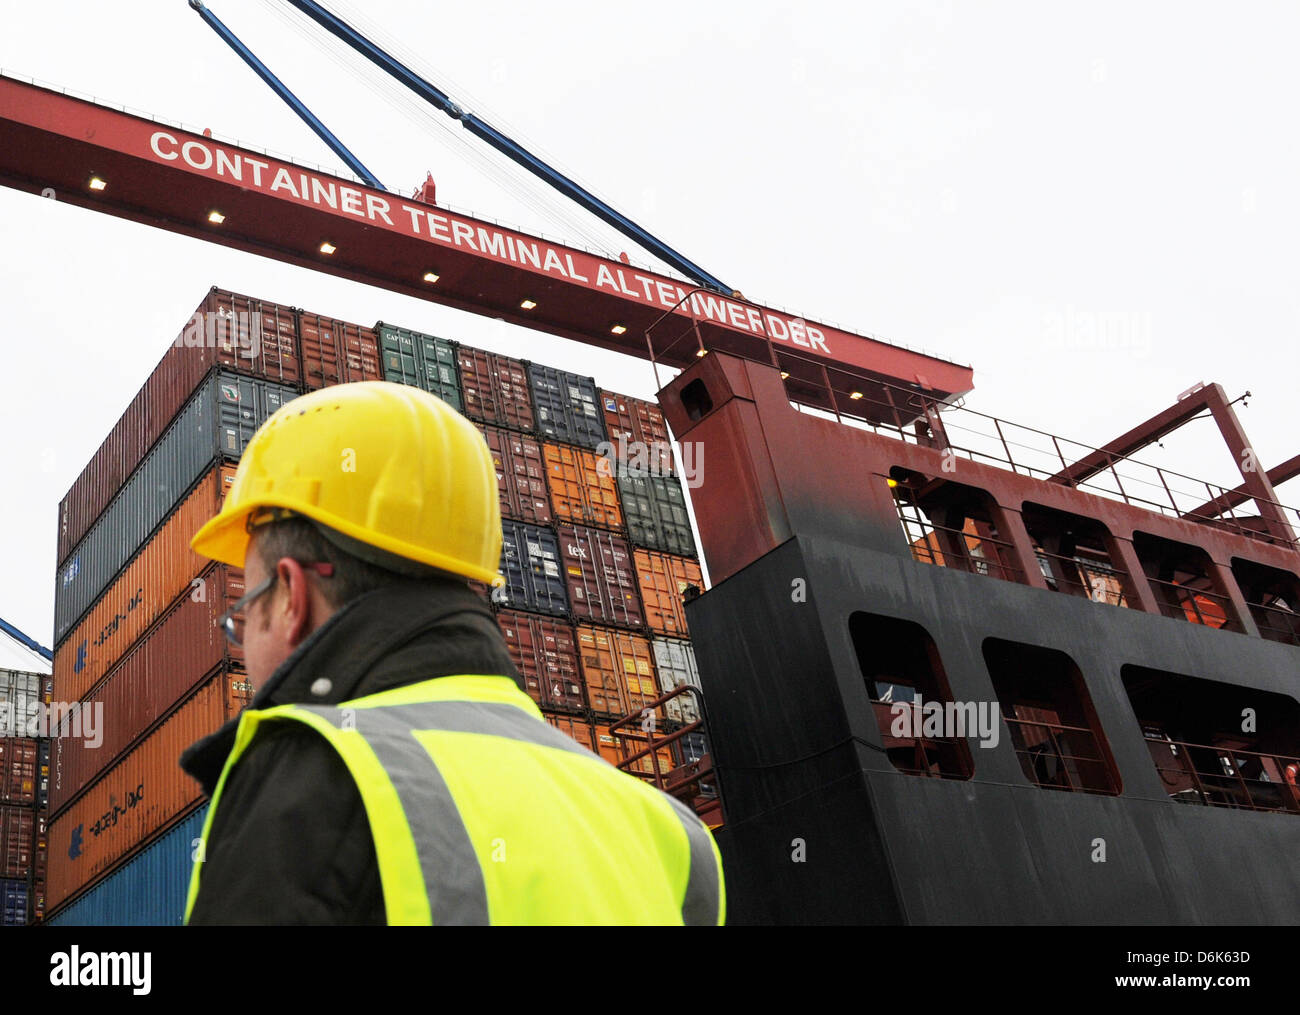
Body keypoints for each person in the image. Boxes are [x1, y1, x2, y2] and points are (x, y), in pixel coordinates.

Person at [180, 380, 724, 925]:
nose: (242, 637)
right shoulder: (675, 838)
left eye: (243, 613)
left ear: (292, 596)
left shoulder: (311, 782)